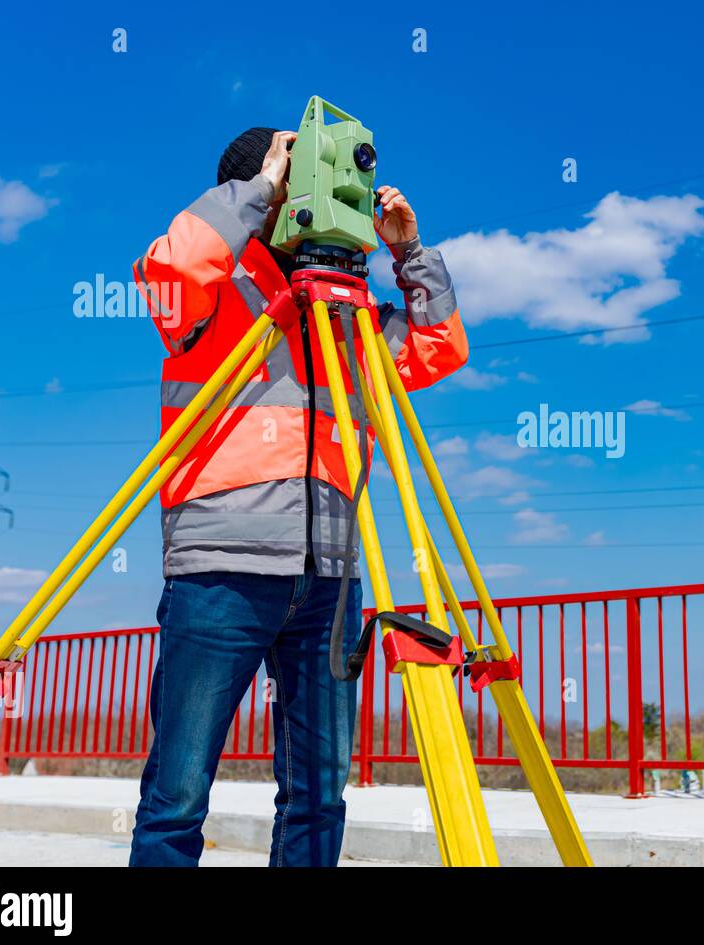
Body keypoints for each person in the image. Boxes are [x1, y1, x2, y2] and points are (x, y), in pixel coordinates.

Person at [128, 126, 467, 866]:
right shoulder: (216, 297)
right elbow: (172, 266)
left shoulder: (350, 316)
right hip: (222, 570)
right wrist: (257, 190)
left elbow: (439, 348)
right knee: (178, 796)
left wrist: (410, 254)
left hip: (332, 583)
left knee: (320, 794)